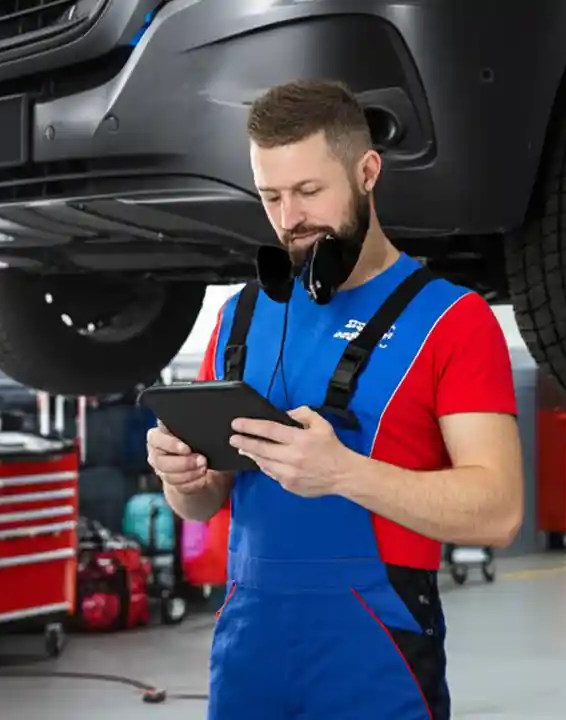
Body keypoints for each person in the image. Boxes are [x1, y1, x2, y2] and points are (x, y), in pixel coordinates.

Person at [146, 79, 524, 720]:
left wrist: (342, 472)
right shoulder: (239, 317)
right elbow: (202, 502)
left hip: (377, 655)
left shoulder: (452, 320)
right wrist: (180, 477)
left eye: (309, 191)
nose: (289, 219)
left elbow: (499, 512)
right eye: (271, 196)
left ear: (367, 171)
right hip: (247, 656)